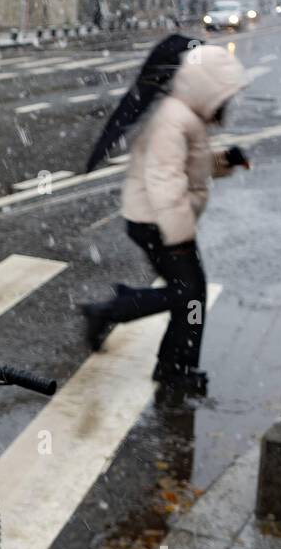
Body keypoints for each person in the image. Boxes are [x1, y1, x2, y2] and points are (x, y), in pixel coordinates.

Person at [78, 41, 249, 394]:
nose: (226, 104)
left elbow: (189, 167)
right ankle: (118, 318)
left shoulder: (185, 116)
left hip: (158, 220)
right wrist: (181, 237)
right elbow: (164, 181)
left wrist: (224, 161)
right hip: (154, 221)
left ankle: (167, 359)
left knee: (187, 293)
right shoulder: (173, 119)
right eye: (223, 95)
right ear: (205, 89)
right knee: (189, 294)